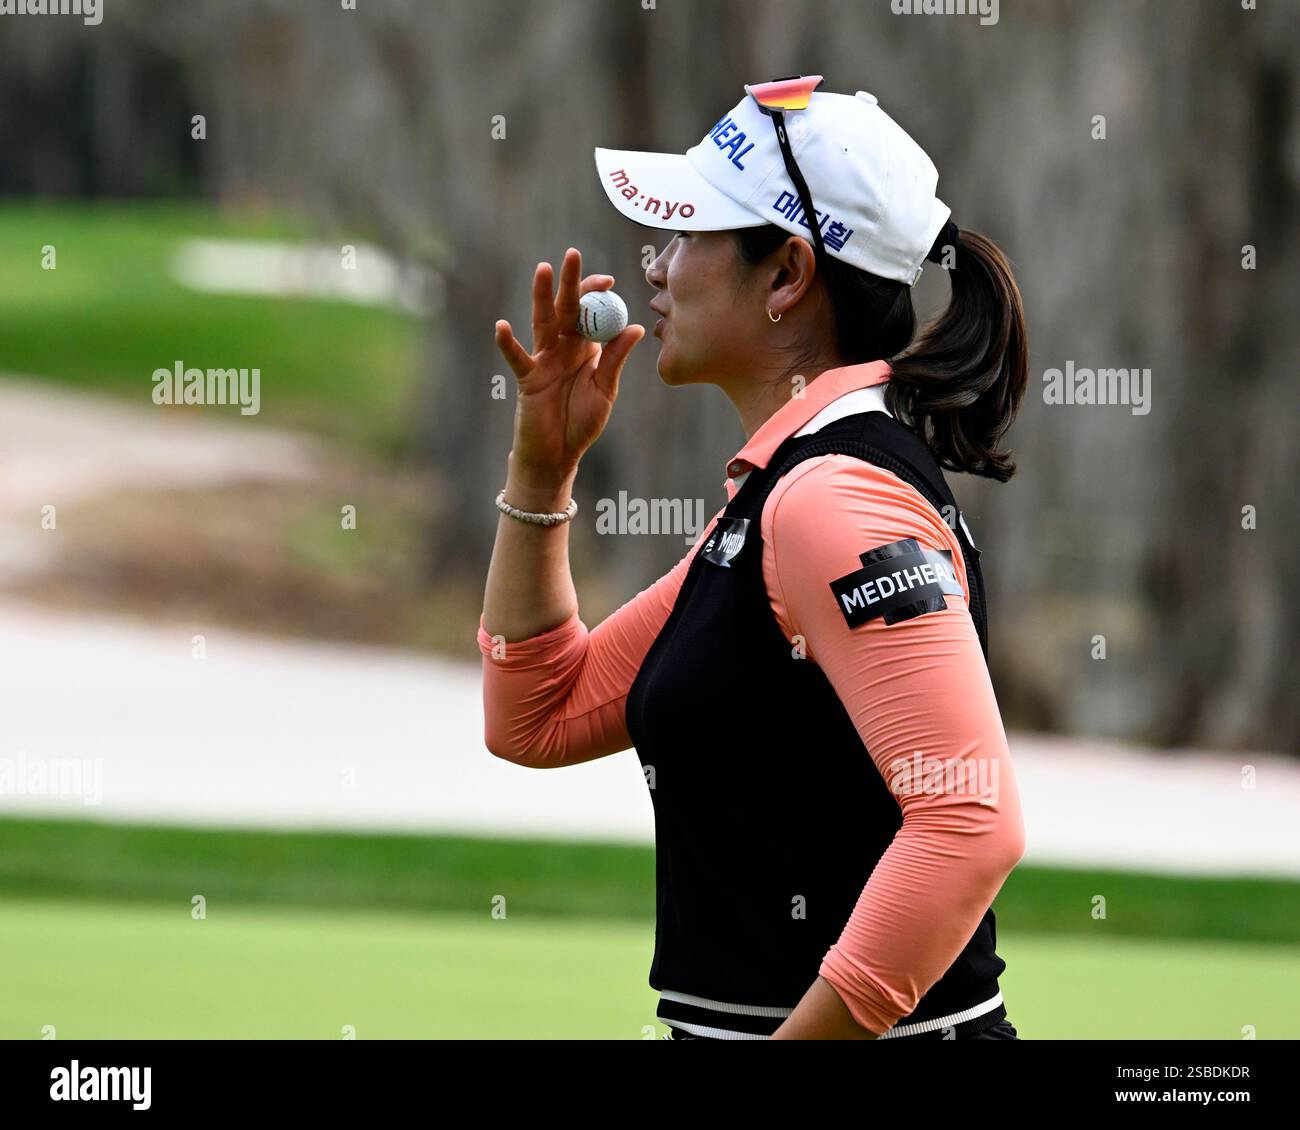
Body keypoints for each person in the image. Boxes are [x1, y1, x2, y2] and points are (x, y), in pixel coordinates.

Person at [480, 75, 1029, 1040]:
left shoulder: (828, 498)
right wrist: (541, 467)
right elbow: (540, 713)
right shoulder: (782, 492)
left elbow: (969, 827)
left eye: (690, 231)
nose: (656, 267)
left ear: (786, 275)